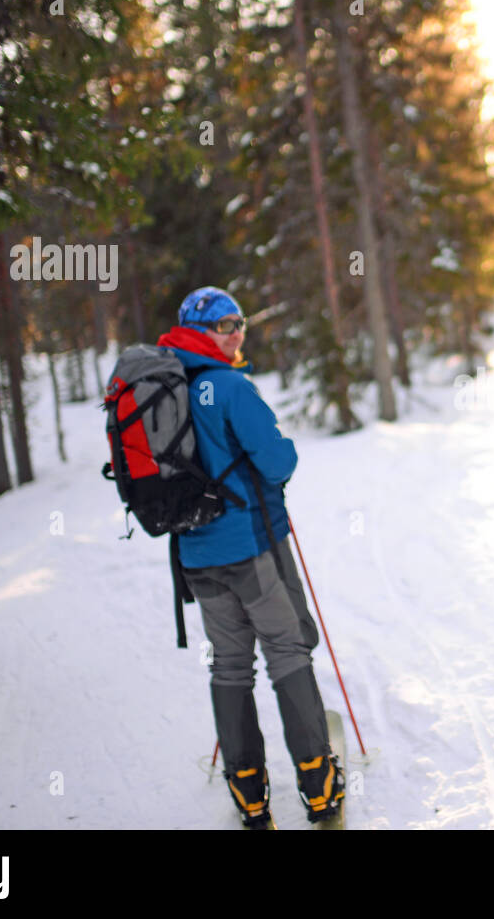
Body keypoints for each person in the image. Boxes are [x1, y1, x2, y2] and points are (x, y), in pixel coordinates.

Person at [158, 286, 343, 828]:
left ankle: (248, 791)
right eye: (224, 324)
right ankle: (317, 781)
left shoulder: (168, 390)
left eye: (240, 322)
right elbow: (277, 460)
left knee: (231, 664)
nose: (236, 332)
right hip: (252, 547)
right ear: (199, 329)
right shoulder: (229, 386)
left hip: (195, 555)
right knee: (287, 651)